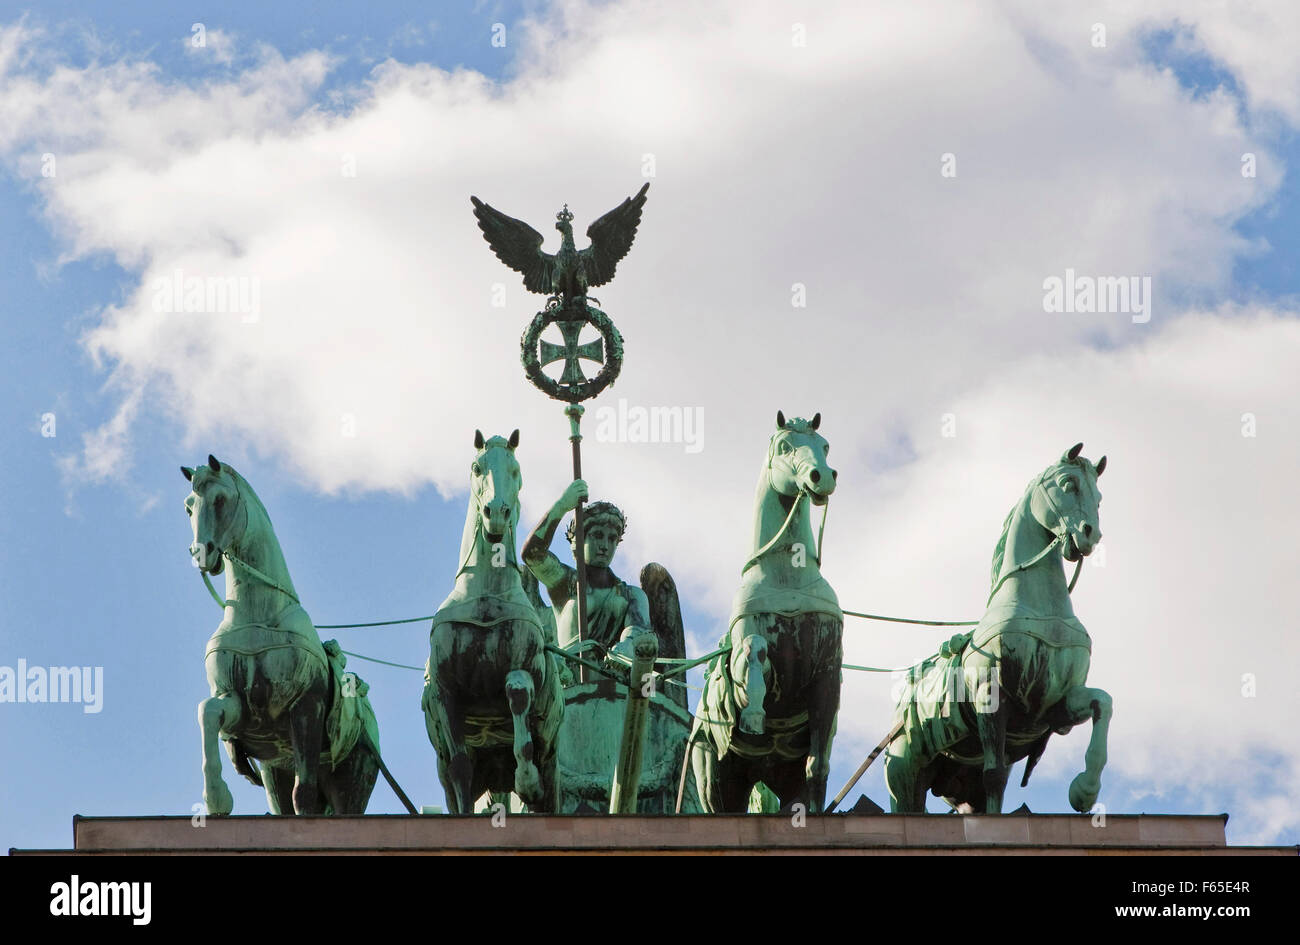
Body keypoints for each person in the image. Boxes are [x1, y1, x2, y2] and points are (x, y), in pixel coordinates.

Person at [521, 479, 652, 662]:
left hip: (614, 678)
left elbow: (638, 632)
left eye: (612, 538)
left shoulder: (632, 595)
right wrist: (562, 505)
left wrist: (626, 648)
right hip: (567, 679)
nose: (605, 546)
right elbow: (532, 554)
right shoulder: (564, 581)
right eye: (598, 535)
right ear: (580, 540)